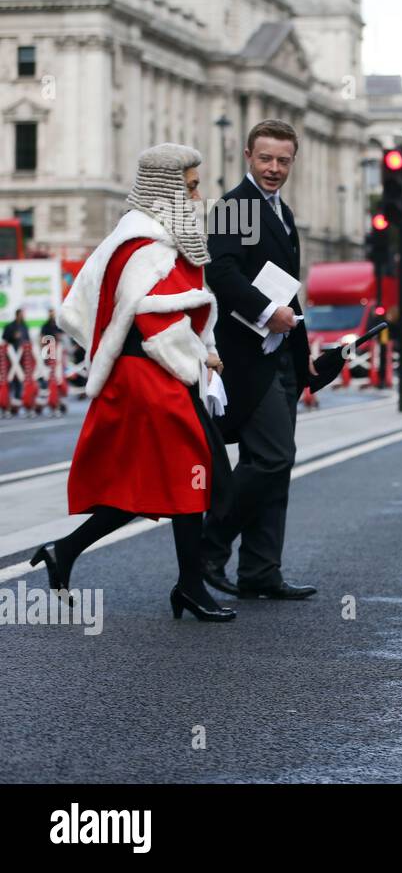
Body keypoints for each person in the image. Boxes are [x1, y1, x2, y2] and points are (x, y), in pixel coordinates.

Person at [31, 144, 234, 621]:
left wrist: (199, 354)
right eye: (190, 186)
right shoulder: (147, 246)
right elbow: (156, 322)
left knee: (160, 483)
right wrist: (200, 359)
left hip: (152, 376)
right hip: (152, 377)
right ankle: (189, 587)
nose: (198, 194)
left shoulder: (143, 237)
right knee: (189, 475)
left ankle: (67, 551)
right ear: (166, 188)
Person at [200, 119, 317, 600]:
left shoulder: (283, 213)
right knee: (272, 457)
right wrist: (268, 313)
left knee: (274, 465)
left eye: (283, 160)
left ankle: (261, 571)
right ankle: (210, 544)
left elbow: (291, 289)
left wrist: (306, 356)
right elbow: (221, 272)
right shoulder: (236, 206)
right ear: (248, 155)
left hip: (281, 356)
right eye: (265, 158)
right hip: (246, 357)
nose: (274, 168)